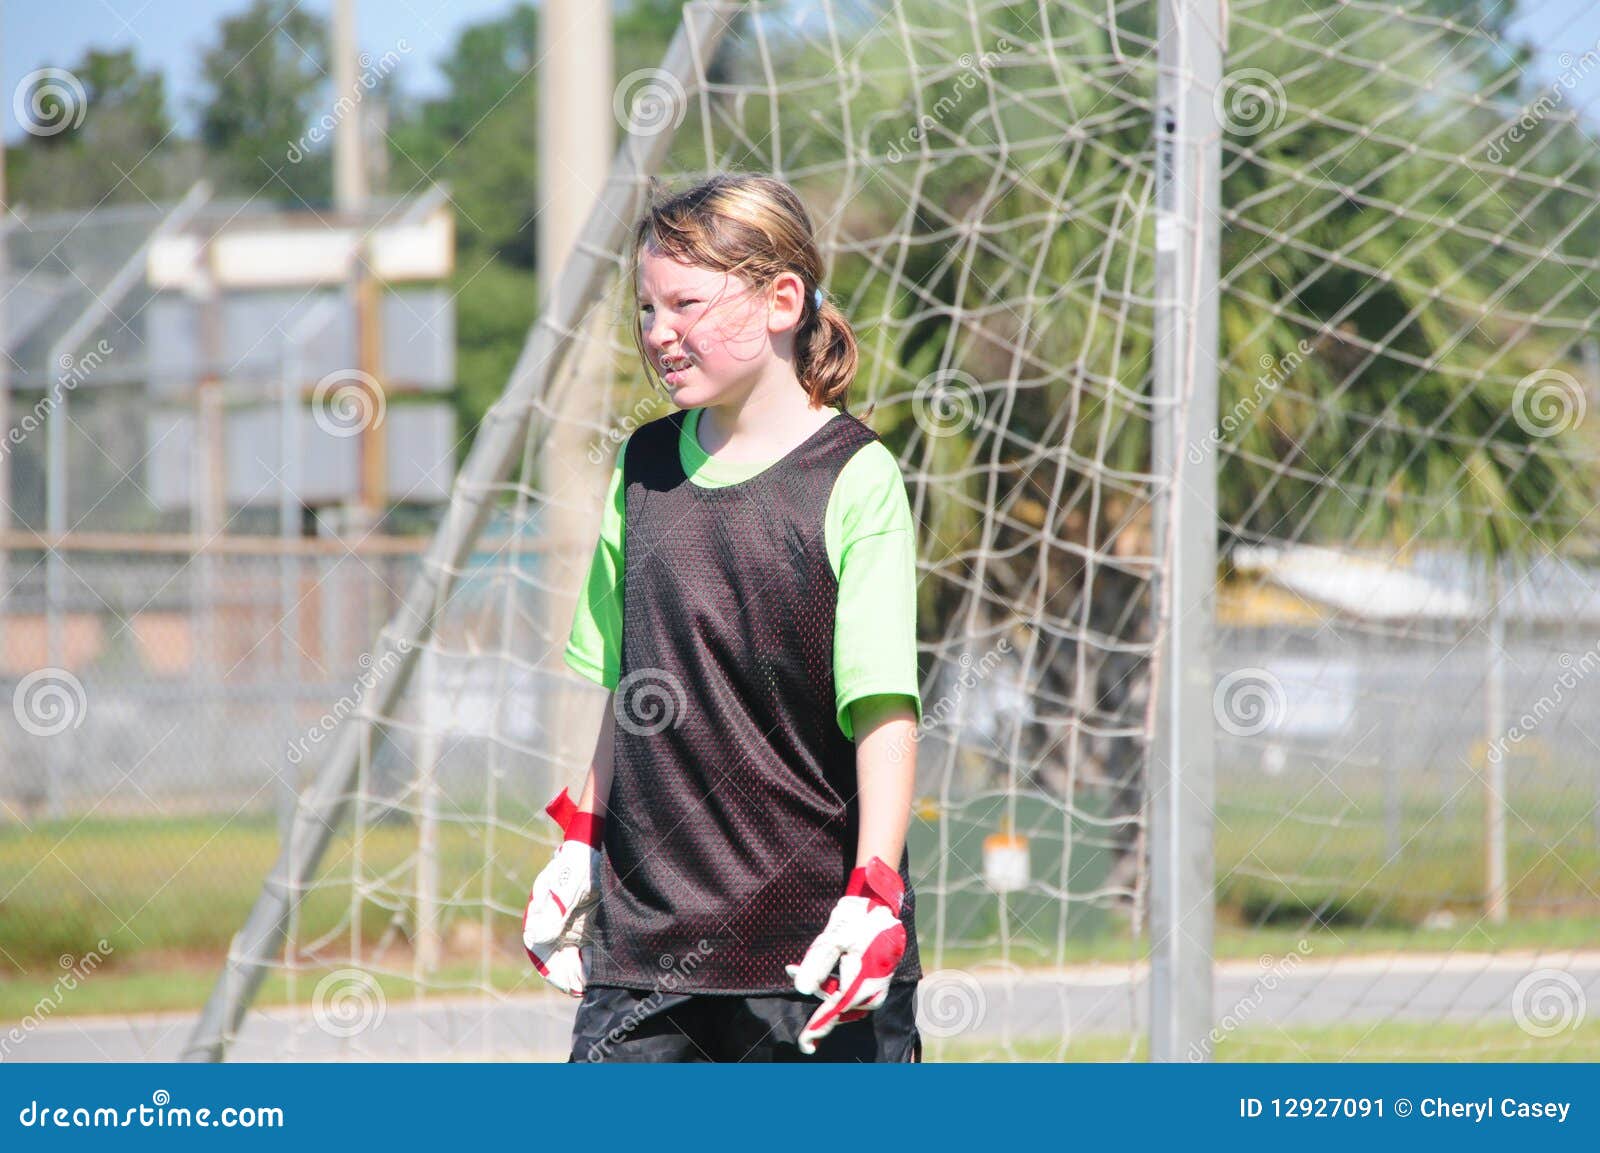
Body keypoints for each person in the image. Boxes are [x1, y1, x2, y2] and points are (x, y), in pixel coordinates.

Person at [522, 172, 925, 1062]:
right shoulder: (643, 469)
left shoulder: (855, 478)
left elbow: (884, 710)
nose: (658, 332)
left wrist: (874, 889)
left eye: (687, 304)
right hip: (645, 955)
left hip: (818, 948)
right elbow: (630, 690)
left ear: (783, 299)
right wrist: (580, 839)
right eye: (645, 308)